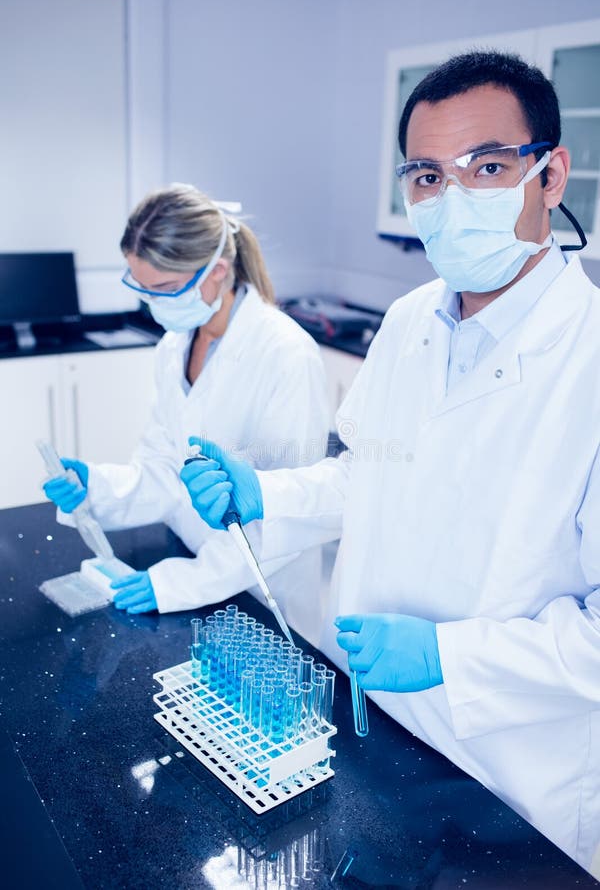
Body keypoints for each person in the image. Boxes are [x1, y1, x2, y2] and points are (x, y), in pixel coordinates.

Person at [179, 52, 600, 877]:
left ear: (551, 175)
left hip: (509, 782)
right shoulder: (410, 320)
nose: (451, 200)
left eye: (486, 167)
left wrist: (451, 657)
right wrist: (262, 490)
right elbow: (367, 472)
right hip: (374, 724)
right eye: (428, 177)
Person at [44, 184, 329, 637]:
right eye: (143, 287)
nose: (153, 302)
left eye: (166, 289)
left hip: (262, 591)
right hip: (193, 560)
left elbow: (288, 514)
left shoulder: (287, 354)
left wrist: (180, 584)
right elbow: (164, 465)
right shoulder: (176, 344)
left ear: (216, 271)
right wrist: (96, 488)